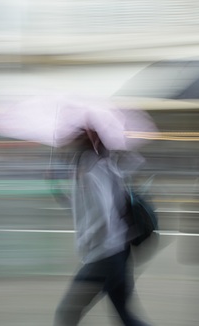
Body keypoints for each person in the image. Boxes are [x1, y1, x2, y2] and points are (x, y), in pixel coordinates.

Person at [54, 130, 149, 326]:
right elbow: (87, 209)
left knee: (65, 315)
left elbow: (102, 216)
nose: (68, 139)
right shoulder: (102, 165)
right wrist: (60, 194)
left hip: (104, 255)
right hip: (118, 252)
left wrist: (86, 242)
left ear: (86, 140)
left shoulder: (89, 170)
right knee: (125, 316)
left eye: (75, 135)